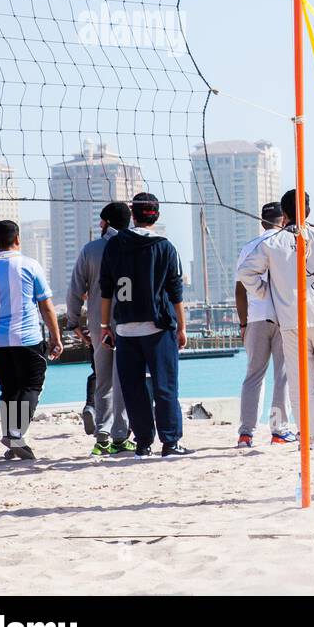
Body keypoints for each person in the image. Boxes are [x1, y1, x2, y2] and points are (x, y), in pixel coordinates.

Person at [236, 190, 314, 449]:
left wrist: (266, 292)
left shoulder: (272, 243)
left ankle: (309, 438)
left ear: (284, 214)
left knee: (300, 384)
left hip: (292, 321)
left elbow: (245, 272)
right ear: (307, 210)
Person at [99, 192, 190, 458]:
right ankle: (170, 443)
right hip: (158, 327)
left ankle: (143, 444)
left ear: (132, 214)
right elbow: (176, 294)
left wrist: (106, 325)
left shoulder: (114, 246)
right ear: (156, 215)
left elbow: (106, 290)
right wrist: (182, 327)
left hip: (125, 328)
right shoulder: (165, 247)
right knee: (165, 386)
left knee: (133, 388)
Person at [0, 220, 63, 460]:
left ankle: (12, 441)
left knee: (8, 389)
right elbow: (46, 306)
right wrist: (56, 336)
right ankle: (16, 433)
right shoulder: (30, 265)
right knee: (31, 386)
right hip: (27, 337)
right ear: (18, 239)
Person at [66, 201, 134, 456]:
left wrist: (74, 323)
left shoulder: (90, 250)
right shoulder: (135, 247)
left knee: (103, 381)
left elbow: (74, 289)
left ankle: (102, 435)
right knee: (126, 379)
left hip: (98, 324)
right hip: (129, 322)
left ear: (105, 223)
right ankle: (120, 434)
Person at [235, 202, 295, 448]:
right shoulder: (289, 243)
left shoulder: (250, 247)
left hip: (256, 317)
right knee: (282, 375)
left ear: (262, 222)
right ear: (284, 219)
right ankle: (278, 431)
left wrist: (243, 323)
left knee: (253, 375)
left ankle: (246, 433)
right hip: (284, 316)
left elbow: (239, 288)